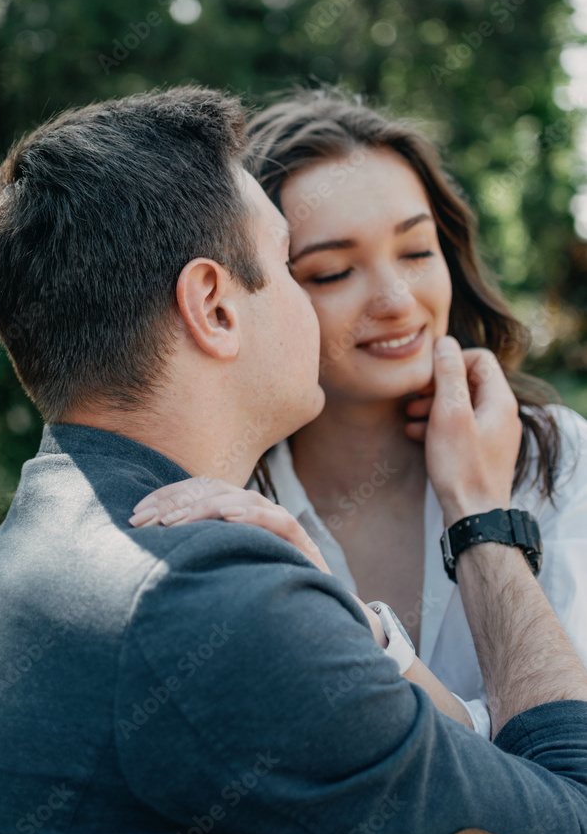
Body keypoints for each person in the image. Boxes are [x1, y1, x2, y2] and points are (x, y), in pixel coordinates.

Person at [0, 87, 587, 834]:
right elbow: (564, 826)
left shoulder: (14, 557)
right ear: (213, 304)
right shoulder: (213, 597)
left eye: (414, 249)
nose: (394, 301)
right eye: (295, 268)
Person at [131, 89, 587, 737]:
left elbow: (570, 766)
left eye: (415, 251)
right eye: (333, 272)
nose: (397, 301)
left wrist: (477, 507)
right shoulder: (219, 498)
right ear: (247, 296)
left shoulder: (556, 458)